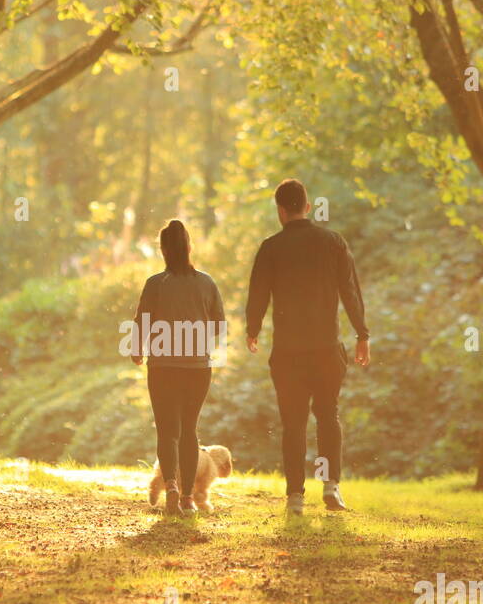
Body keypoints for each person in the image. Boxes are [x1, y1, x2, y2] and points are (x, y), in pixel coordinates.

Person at [245, 179, 370, 515]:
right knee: (328, 415)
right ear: (308, 206)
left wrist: (252, 329)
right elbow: (351, 291)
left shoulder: (271, 247)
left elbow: (258, 292)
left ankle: (295, 497)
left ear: (281, 211)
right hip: (327, 348)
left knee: (294, 423)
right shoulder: (333, 243)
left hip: (288, 352)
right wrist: (362, 334)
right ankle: (331, 486)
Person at [131, 220, 226, 516]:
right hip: (197, 367)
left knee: (167, 430)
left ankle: (170, 484)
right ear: (189, 247)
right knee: (188, 430)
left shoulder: (155, 283)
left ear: (163, 249)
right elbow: (219, 325)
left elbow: (141, 321)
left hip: (162, 367)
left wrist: (137, 349)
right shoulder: (206, 283)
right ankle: (187, 498)